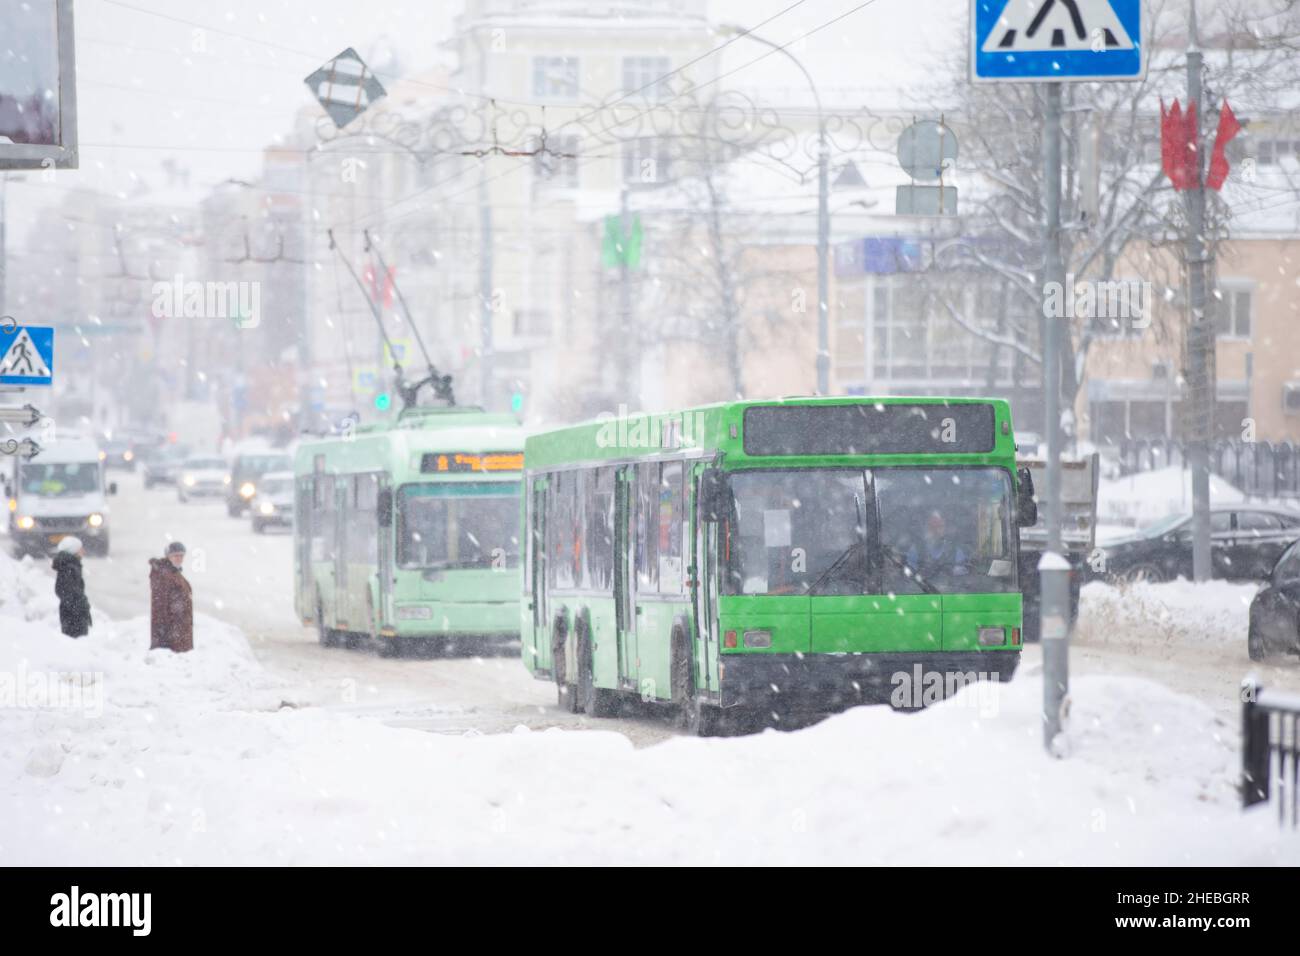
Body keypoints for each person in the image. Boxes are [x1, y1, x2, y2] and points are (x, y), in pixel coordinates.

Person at [149, 541, 193, 653]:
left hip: (180, 634)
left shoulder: (173, 574)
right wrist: (163, 638)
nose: (179, 558)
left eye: (181, 555)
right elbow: (160, 608)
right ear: (168, 557)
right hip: (171, 638)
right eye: (175, 555)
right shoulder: (163, 576)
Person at [906, 511, 969, 580]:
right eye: (932, 526)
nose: (935, 530)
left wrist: (950, 572)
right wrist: (920, 573)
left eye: (939, 526)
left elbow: (963, 576)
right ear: (926, 528)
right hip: (921, 589)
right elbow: (909, 574)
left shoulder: (955, 551)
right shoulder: (916, 550)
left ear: (944, 529)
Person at [52, 536, 92, 638]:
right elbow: (64, 591)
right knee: (76, 645)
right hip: (73, 618)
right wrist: (79, 609)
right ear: (74, 551)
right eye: (80, 548)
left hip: (72, 615)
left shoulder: (71, 566)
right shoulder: (69, 569)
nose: (83, 551)